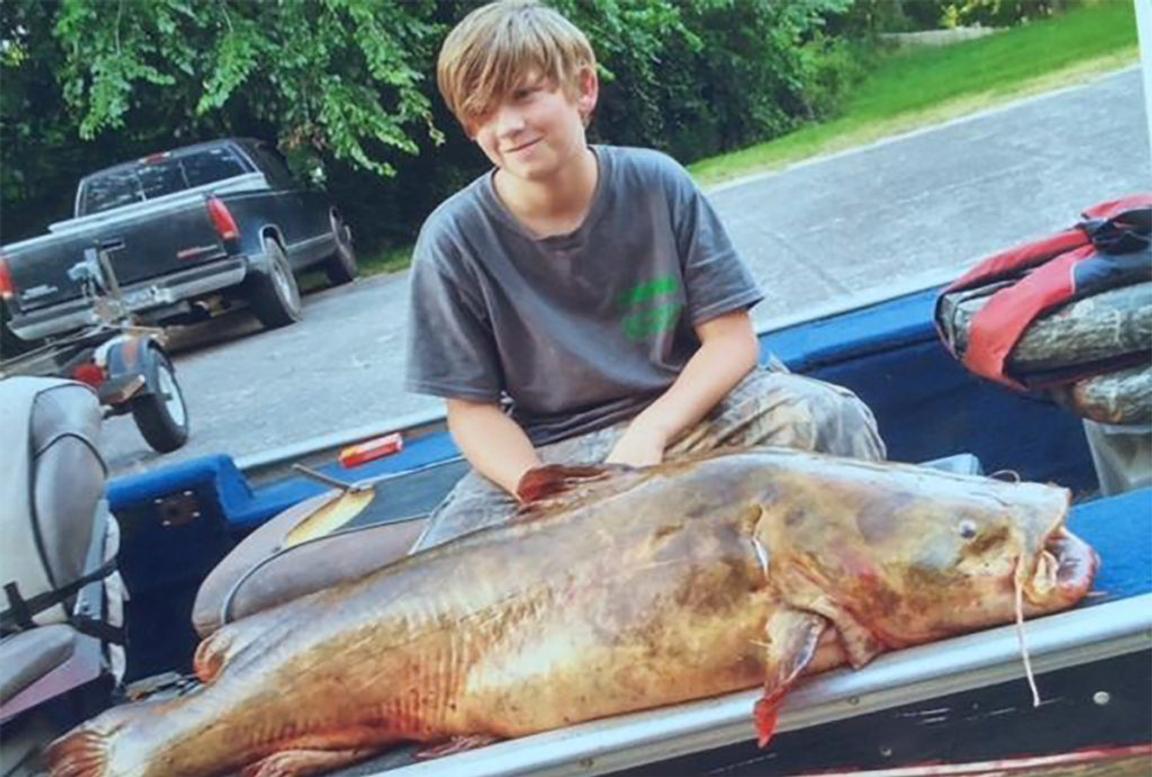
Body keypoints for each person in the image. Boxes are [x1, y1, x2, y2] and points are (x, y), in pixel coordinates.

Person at [404, 0, 885, 552]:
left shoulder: (658, 183)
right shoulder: (453, 239)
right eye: (483, 112)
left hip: (693, 416)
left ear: (583, 90)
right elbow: (472, 412)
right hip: (554, 454)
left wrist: (651, 434)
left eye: (524, 95)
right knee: (440, 561)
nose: (507, 126)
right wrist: (541, 491)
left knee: (828, 416)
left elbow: (731, 343)